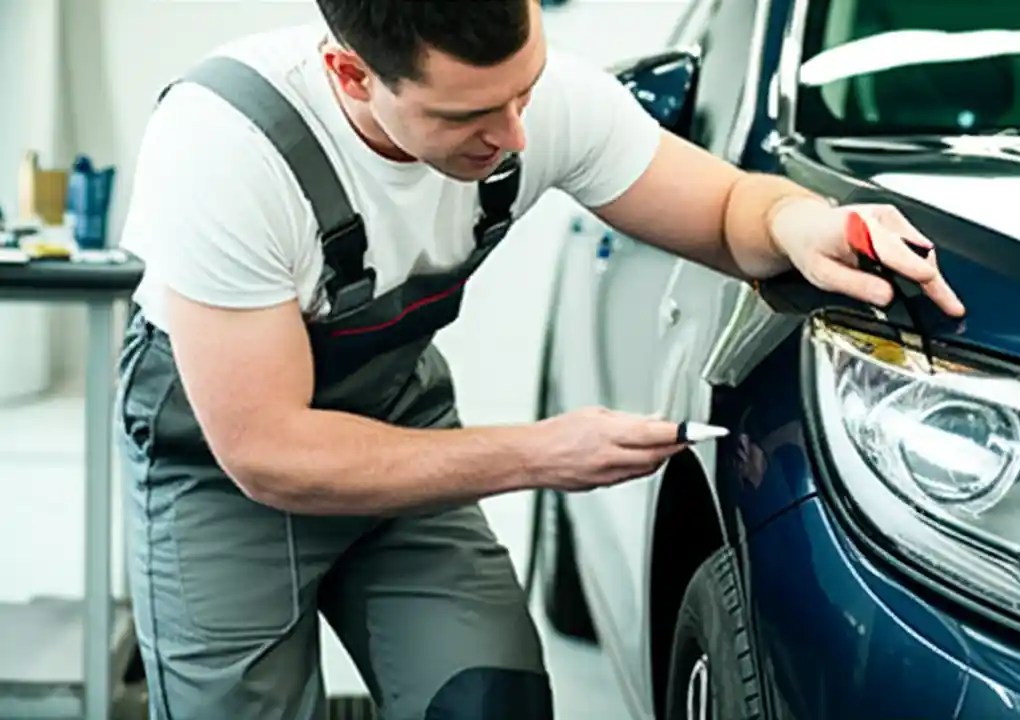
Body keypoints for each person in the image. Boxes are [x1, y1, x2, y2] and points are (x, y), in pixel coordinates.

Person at [115, 0, 965, 717]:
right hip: (222, 480)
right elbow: (271, 455)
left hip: (394, 427)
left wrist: (801, 224)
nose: (514, 134)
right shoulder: (225, 148)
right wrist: (544, 453)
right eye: (467, 118)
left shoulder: (535, 103)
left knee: (491, 699)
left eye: (523, 92)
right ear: (352, 77)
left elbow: (728, 207)